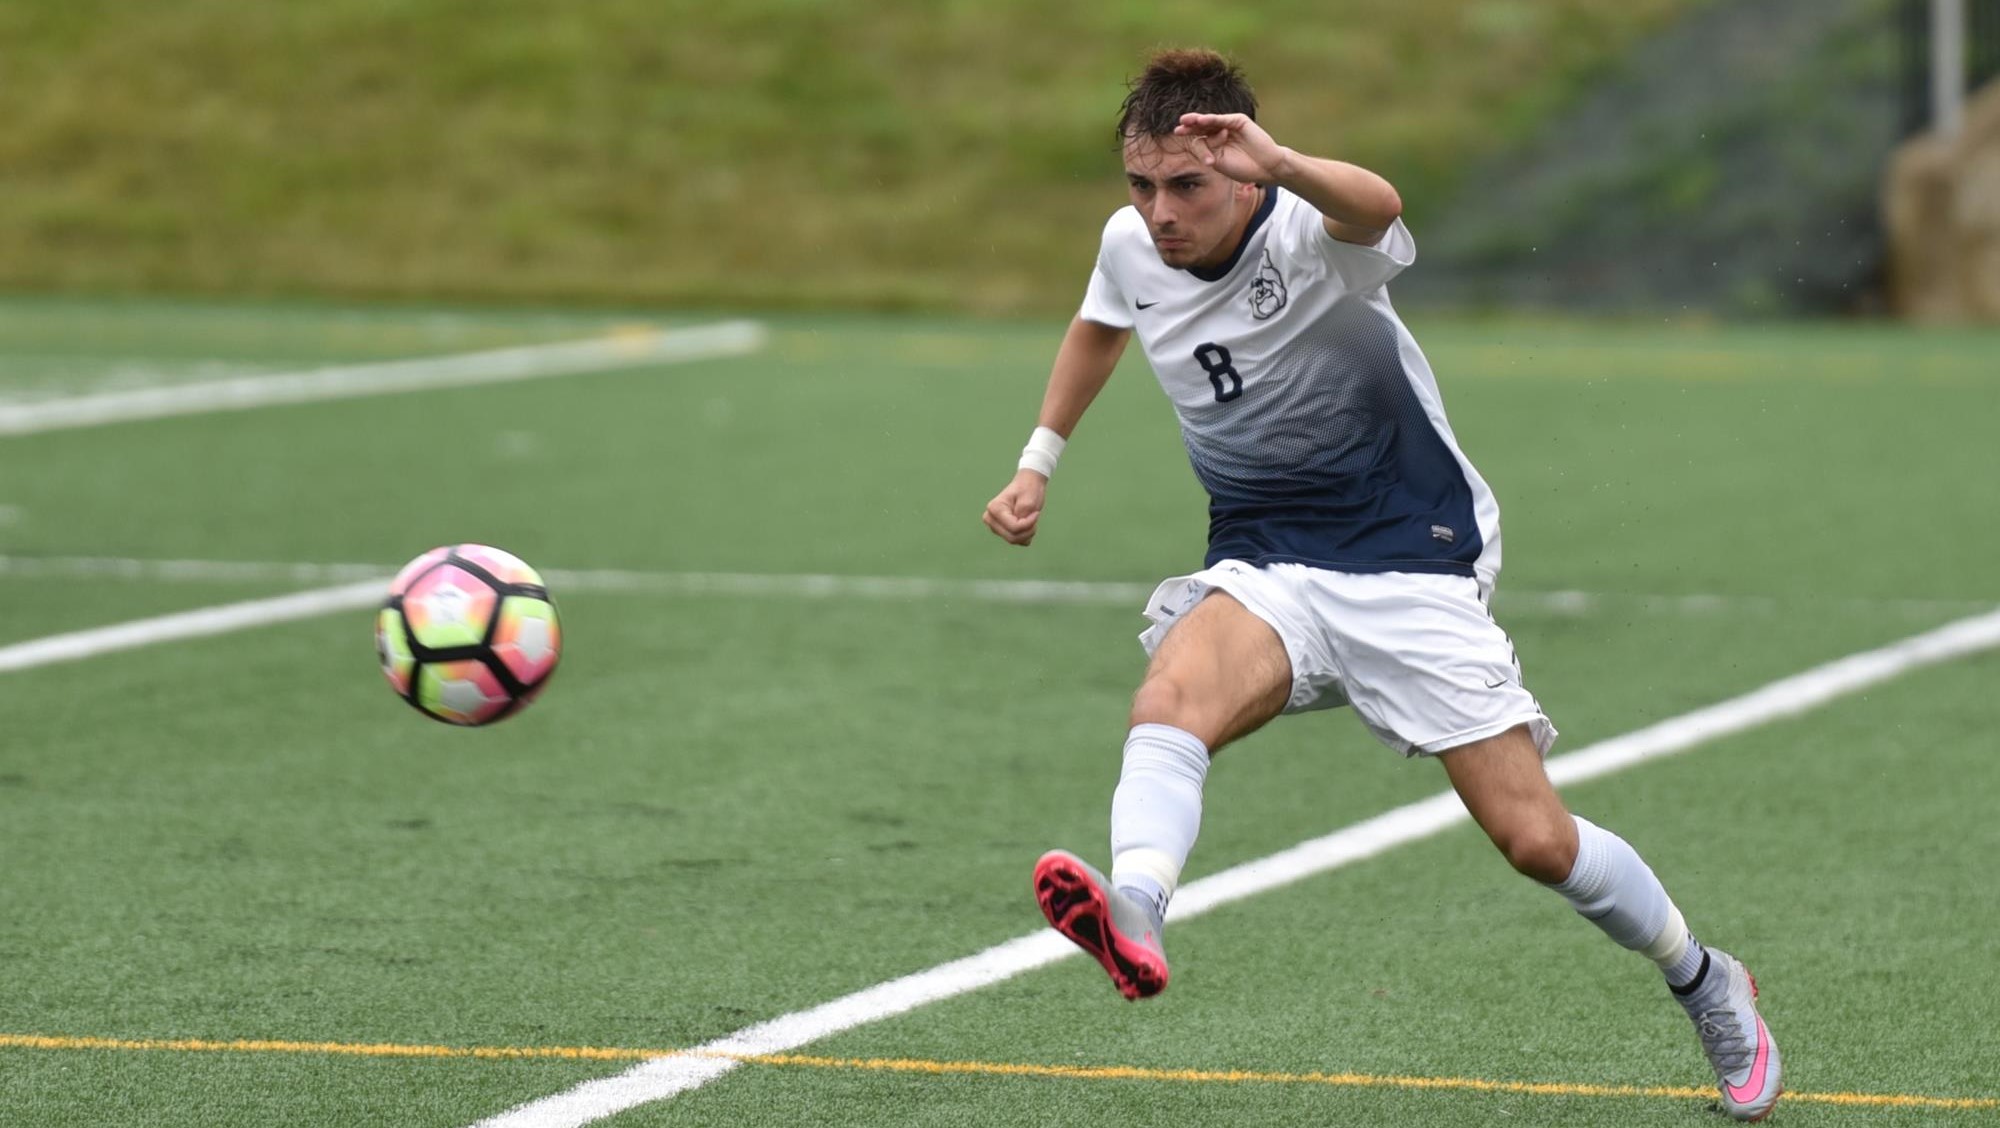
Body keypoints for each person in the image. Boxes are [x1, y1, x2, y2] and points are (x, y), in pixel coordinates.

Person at [980, 49, 1781, 1122]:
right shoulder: (1132, 246)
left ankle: (1703, 978)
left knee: (1534, 839)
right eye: (1141, 185)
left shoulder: (1310, 234)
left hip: (1411, 555)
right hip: (1265, 559)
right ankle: (1133, 909)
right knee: (1172, 697)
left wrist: (1284, 162)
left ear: (1245, 177)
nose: (1159, 213)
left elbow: (1379, 205)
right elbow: (1097, 326)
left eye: (1188, 186)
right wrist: (1037, 462)